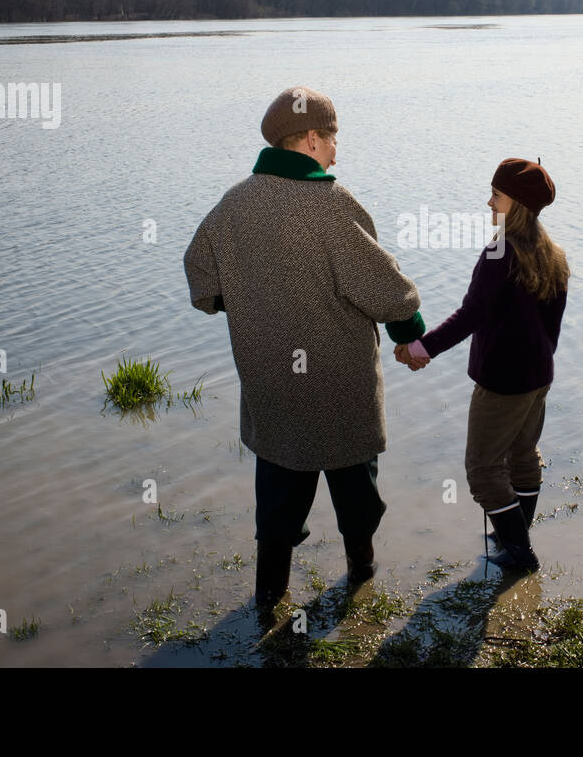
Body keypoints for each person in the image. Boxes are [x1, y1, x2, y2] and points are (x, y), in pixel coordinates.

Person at [183, 86, 426, 610]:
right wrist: (410, 333)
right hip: (340, 385)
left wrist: (245, 304)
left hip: (272, 384)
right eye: (334, 139)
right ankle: (360, 577)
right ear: (312, 139)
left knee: (277, 496)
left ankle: (269, 596)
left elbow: (200, 275)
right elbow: (385, 289)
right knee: (356, 492)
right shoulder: (332, 205)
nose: (337, 150)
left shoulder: (234, 203)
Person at [394, 158, 568, 572]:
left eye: (497, 195)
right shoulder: (553, 253)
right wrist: (540, 365)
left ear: (519, 204)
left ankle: (521, 553)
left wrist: (421, 348)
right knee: (522, 455)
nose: (489, 201)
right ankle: (513, 534)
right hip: (538, 377)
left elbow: (470, 315)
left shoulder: (499, 254)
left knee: (483, 470)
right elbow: (552, 327)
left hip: (504, 383)